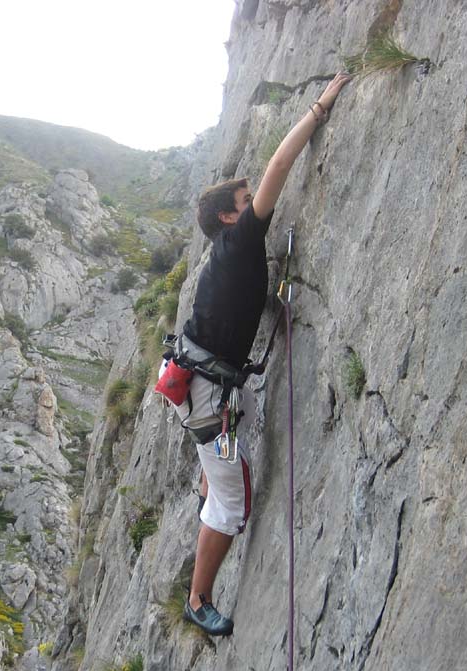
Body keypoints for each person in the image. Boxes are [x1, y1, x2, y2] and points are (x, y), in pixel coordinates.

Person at [171, 71, 353, 637]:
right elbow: (278, 166)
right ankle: (198, 599)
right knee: (233, 501)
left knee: (236, 425)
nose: (254, 205)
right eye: (244, 203)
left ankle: (210, 476)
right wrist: (320, 107)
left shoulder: (229, 251)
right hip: (208, 395)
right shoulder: (243, 237)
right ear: (230, 216)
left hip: (208, 383)